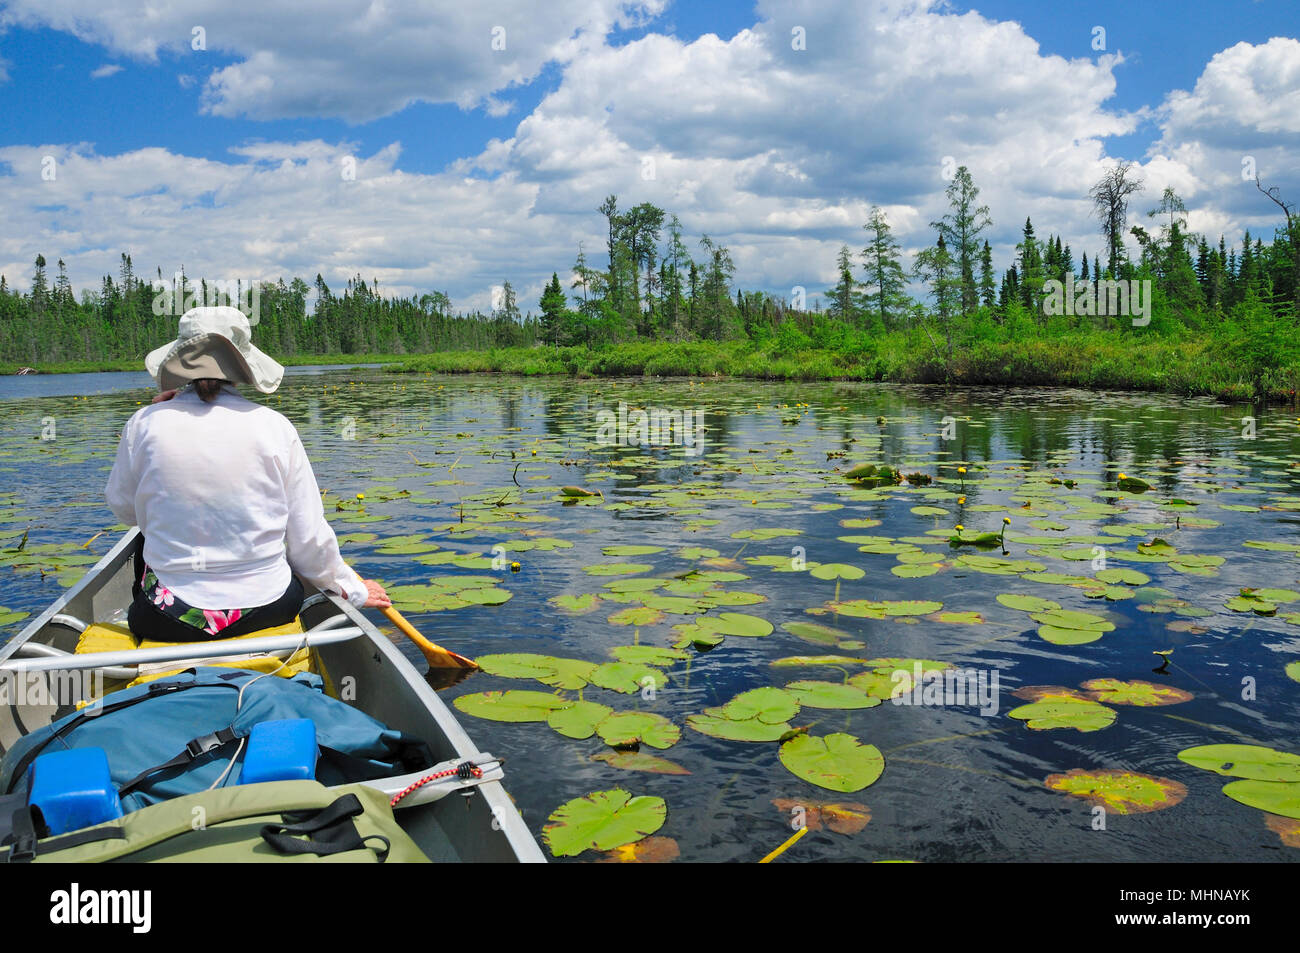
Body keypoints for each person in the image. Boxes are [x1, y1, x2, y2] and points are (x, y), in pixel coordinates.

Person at [106, 305, 389, 641]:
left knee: (143, 536)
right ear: (242, 365)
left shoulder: (144, 424)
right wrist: (353, 590)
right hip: (267, 610)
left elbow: (125, 510)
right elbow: (307, 541)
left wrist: (155, 418)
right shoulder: (275, 427)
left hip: (168, 617)